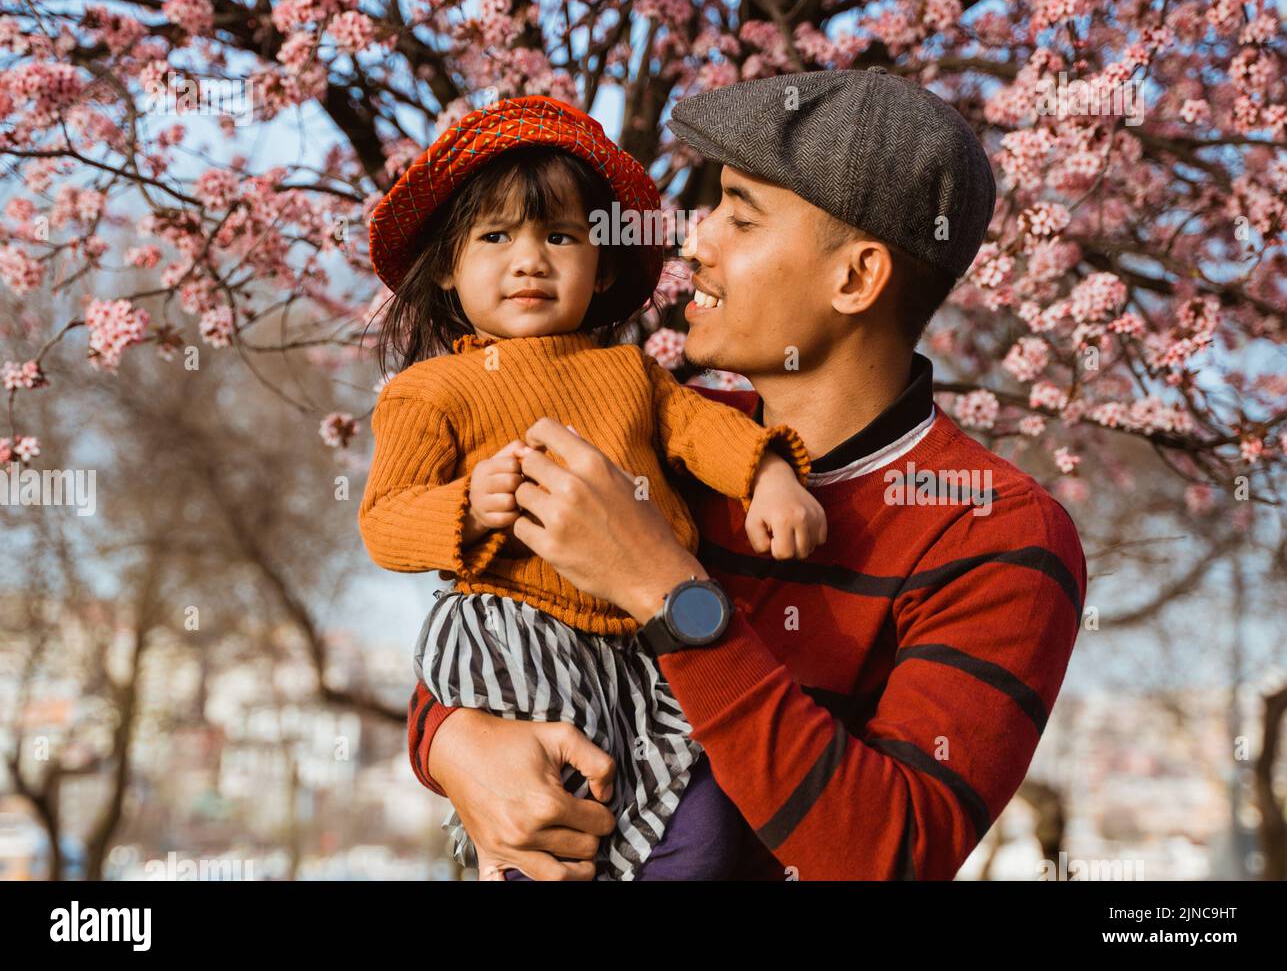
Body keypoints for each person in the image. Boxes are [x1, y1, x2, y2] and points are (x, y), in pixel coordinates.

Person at [403, 66, 1088, 881]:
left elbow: (888, 853)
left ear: (855, 278)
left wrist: (667, 593)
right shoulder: (661, 429)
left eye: (741, 217)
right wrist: (451, 741)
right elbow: (503, 620)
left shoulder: (996, 533)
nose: (695, 243)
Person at [358, 93, 826, 880]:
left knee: (701, 826)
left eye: (560, 237)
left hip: (650, 648)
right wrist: (467, 505)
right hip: (516, 637)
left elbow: (702, 431)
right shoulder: (431, 391)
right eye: (495, 237)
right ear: (446, 265)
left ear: (601, 262)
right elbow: (384, 521)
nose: (530, 259)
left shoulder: (629, 373)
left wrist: (769, 474)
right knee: (551, 833)